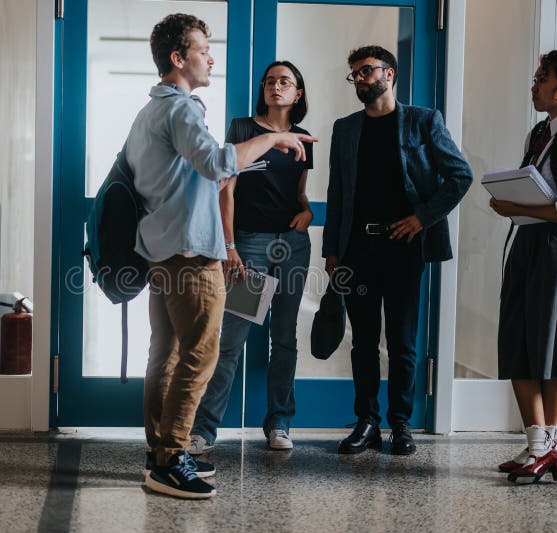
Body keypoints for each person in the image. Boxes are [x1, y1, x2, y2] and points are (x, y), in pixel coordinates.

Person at [128, 14, 315, 499]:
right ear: (178, 58)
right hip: (191, 254)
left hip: (163, 250)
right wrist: (273, 138)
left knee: (165, 355)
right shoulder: (183, 109)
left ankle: (160, 453)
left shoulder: (149, 111)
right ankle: (170, 461)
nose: (210, 57)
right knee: (201, 354)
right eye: (203, 49)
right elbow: (217, 163)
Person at [323, 45, 472, 455]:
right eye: (354, 74)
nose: (360, 79)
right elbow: (338, 193)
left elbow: (460, 175)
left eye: (367, 71)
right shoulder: (346, 129)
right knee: (364, 341)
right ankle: (367, 421)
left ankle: (401, 424)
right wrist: (332, 251)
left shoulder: (424, 122)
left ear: (390, 74)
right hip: (357, 250)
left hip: (404, 248)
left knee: (404, 340)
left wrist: (422, 218)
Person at [188, 61, 314, 454]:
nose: (276, 87)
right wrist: (230, 246)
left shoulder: (303, 139)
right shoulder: (243, 129)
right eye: (270, 81)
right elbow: (226, 191)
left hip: (292, 245)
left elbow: (299, 193)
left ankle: (279, 424)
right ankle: (205, 430)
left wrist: (308, 212)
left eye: (285, 82)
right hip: (252, 247)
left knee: (285, 340)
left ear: (298, 94)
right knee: (232, 341)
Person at [491, 50, 557, 484]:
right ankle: (542, 445)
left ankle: (543, 446)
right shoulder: (541, 131)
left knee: (552, 345)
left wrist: (512, 204)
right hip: (530, 243)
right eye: (535, 77)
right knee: (518, 339)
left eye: (542, 78)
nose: (534, 85)